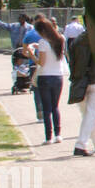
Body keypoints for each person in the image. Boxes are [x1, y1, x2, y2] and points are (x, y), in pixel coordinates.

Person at [68, 28, 95, 156]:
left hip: (80, 80)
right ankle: (81, 144)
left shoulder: (77, 40)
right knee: (92, 112)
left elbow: (71, 61)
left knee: (88, 114)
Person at [32, 16, 67, 144]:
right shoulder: (60, 39)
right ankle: (58, 134)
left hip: (45, 76)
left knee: (47, 108)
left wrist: (31, 55)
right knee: (55, 106)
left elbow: (41, 63)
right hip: (58, 76)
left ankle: (48, 137)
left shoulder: (43, 42)